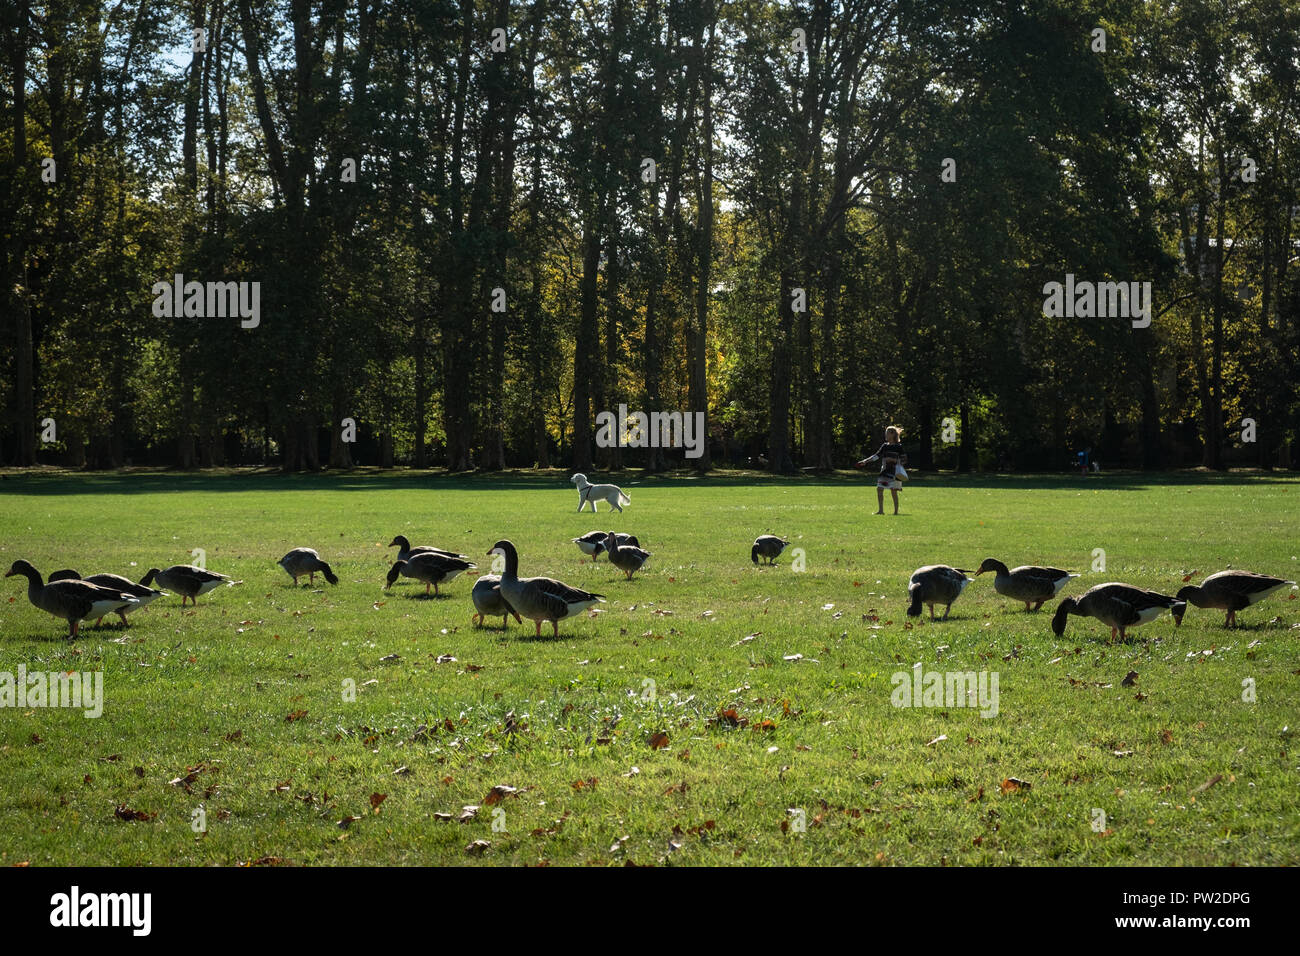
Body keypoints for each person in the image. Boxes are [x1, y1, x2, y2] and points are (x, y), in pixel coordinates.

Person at [856, 425, 907, 515]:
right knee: (879, 489)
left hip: (894, 472)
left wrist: (896, 462)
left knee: (893, 491)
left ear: (892, 434)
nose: (885, 435)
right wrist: (865, 461)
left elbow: (904, 459)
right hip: (884, 471)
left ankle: (896, 512)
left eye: (887, 433)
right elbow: (876, 456)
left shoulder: (898, 447)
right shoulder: (884, 446)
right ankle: (881, 511)